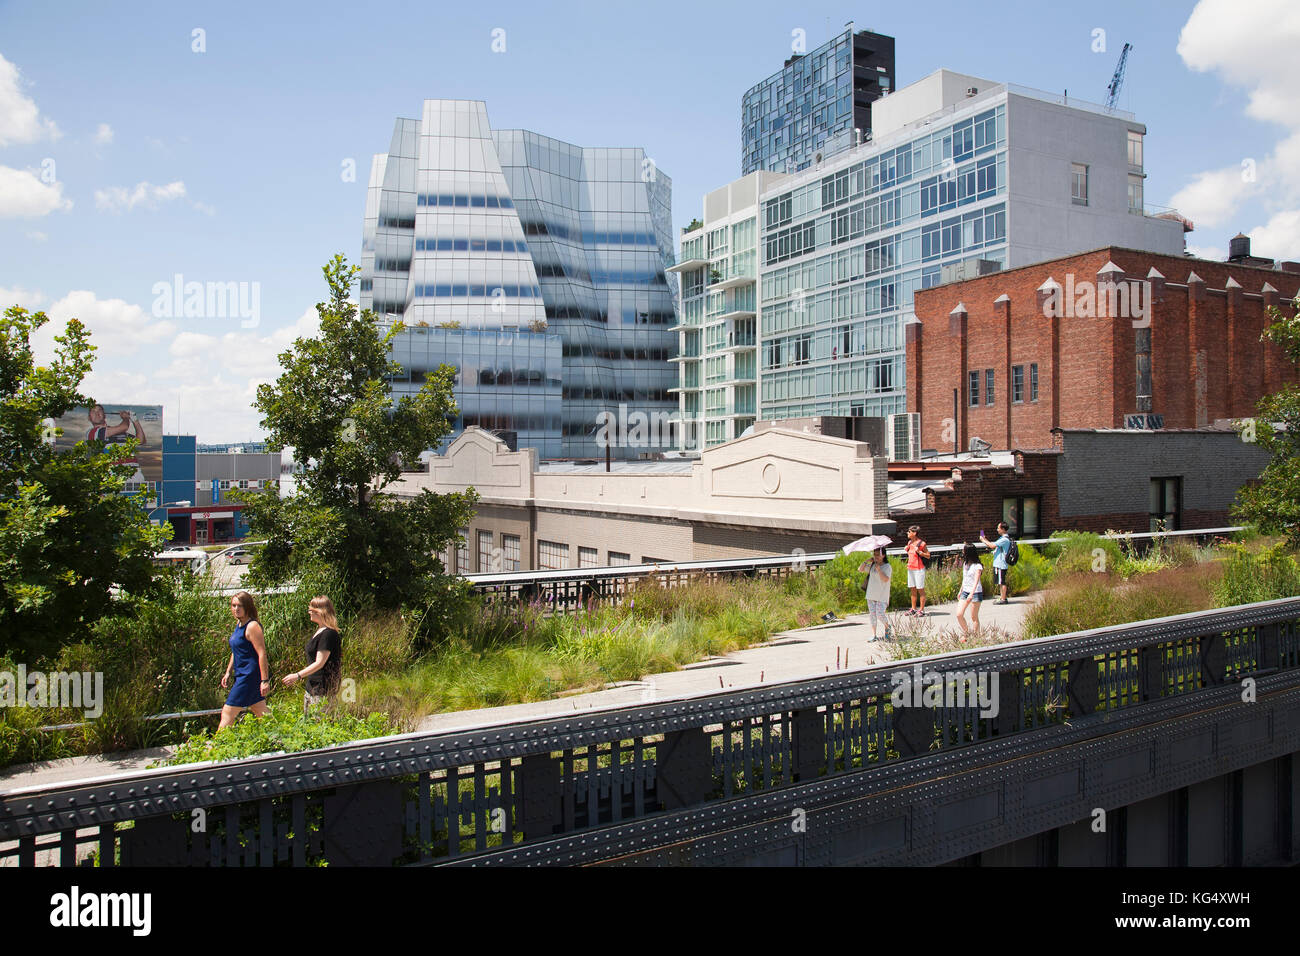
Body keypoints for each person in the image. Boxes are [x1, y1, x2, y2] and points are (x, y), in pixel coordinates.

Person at [220, 591, 270, 729]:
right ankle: (280, 740)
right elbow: (236, 651)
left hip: (249, 676)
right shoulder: (239, 624)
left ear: (247, 607)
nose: (236, 609)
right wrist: (228, 672)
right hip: (241, 674)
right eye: (233, 605)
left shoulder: (252, 626)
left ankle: (214, 748)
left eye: (240, 605)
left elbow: (262, 654)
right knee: (262, 713)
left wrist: (264, 680)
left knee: (227, 712)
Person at [282, 595, 343, 711]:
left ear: (320, 612)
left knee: (320, 722)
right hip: (312, 686)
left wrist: (297, 675)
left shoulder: (328, 634)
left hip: (323, 688)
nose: (309, 612)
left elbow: (319, 663)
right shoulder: (320, 631)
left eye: (311, 609)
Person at [858, 547, 893, 641]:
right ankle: (874, 635)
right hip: (871, 594)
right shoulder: (873, 565)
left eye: (878, 554)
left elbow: (885, 579)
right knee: (872, 615)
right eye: (875, 554)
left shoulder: (887, 566)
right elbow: (860, 569)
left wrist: (879, 570)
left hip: (882, 595)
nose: (876, 556)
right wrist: (867, 561)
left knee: (879, 614)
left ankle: (887, 626)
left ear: (883, 555)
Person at [954, 543, 984, 639]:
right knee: (959, 614)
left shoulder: (977, 566)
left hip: (975, 592)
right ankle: (967, 633)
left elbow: (976, 581)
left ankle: (976, 637)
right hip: (965, 591)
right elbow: (965, 578)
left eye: (964, 550)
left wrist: (972, 593)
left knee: (974, 617)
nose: (963, 552)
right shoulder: (965, 564)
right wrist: (961, 590)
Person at [980, 522, 1013, 604]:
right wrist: (985, 539)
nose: (997, 530)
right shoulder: (1002, 539)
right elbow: (992, 544)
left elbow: (992, 546)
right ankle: (1002, 597)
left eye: (998, 528)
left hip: (1001, 564)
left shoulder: (1004, 540)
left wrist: (983, 540)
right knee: (1000, 582)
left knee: (1002, 582)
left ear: (1003, 529)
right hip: (999, 563)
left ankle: (1003, 599)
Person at [903, 525, 930, 616]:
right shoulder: (910, 542)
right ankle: (913, 608)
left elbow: (928, 555)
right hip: (910, 568)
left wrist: (920, 552)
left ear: (914, 533)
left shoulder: (921, 544)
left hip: (919, 569)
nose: (907, 533)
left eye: (909, 531)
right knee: (912, 589)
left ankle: (921, 610)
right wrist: (907, 549)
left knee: (920, 589)